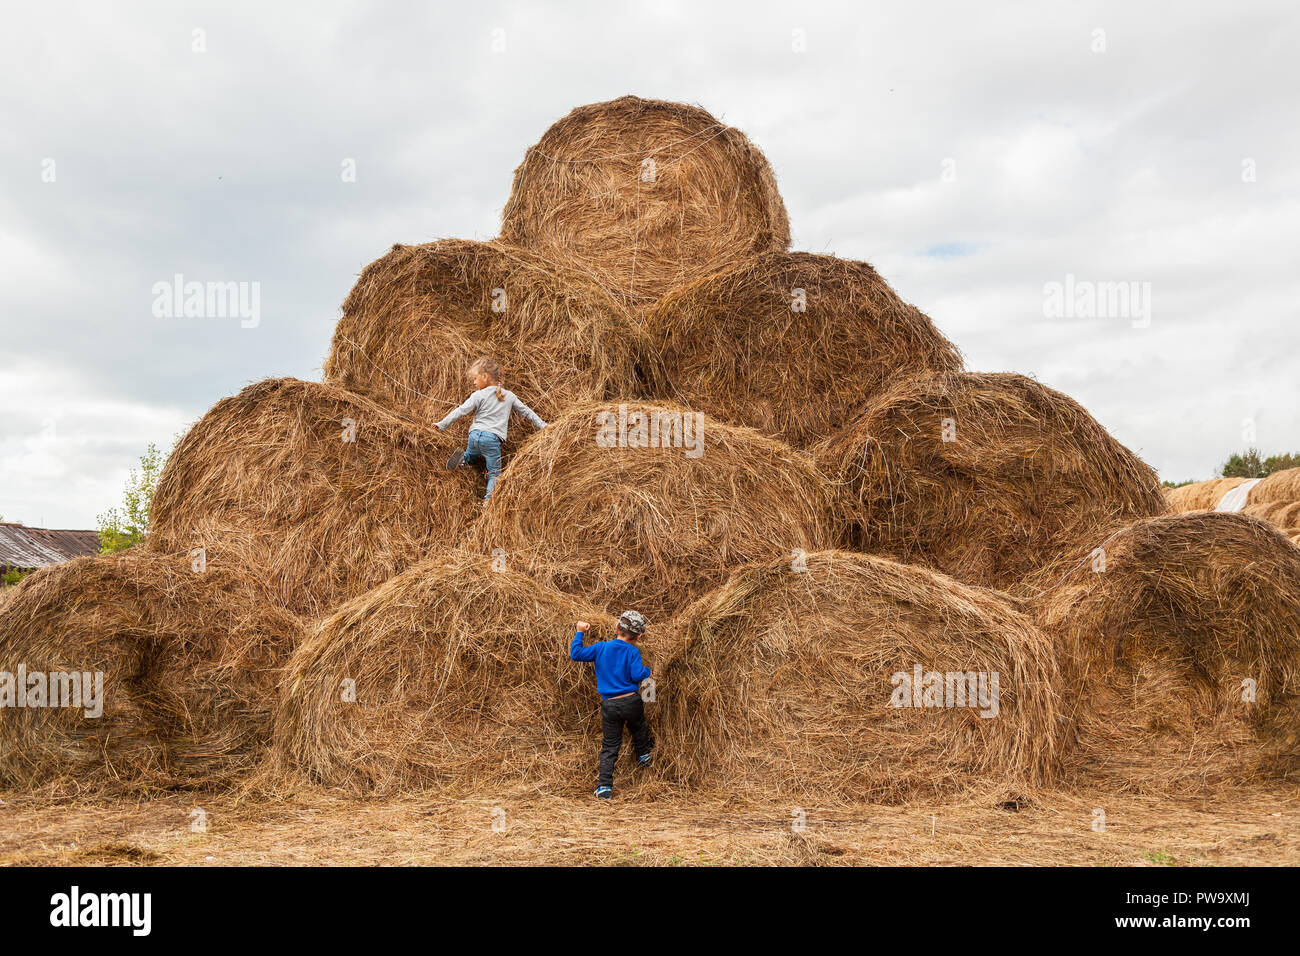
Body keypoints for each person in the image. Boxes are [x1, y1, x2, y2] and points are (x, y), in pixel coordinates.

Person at [434, 357, 546, 502]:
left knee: (471, 455)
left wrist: (441, 424)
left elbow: (460, 411)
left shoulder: (478, 395)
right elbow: (526, 411)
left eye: (475, 378)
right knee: (494, 473)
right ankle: (488, 501)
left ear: (485, 376)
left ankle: (463, 460)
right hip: (491, 440)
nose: (474, 382)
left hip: (474, 436)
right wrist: (543, 425)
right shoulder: (509, 396)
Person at [569, 610, 653, 799]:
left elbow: (576, 654)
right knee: (638, 727)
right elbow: (637, 675)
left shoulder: (600, 648)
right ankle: (644, 756)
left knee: (610, 745)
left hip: (610, 705)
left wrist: (580, 631)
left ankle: (605, 786)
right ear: (639, 637)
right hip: (631, 701)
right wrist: (647, 671)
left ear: (616, 628)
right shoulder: (633, 651)